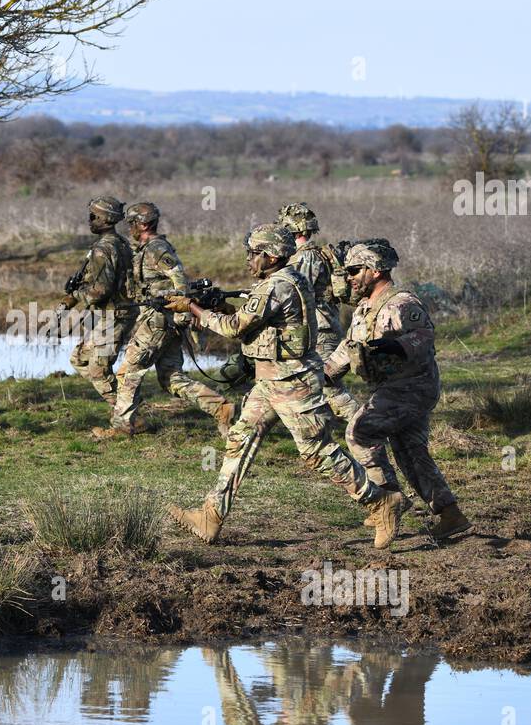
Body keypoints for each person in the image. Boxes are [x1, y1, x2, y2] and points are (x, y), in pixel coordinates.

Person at [161, 224, 402, 545]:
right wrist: (217, 306)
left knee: (315, 450)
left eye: (254, 253)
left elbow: (234, 328)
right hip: (270, 379)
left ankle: (381, 501)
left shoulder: (276, 286)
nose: (248, 259)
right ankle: (210, 515)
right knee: (240, 438)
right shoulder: (288, 280)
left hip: (291, 381)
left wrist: (194, 309)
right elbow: (256, 324)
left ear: (272, 256)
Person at [323, 240, 470, 548]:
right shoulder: (365, 308)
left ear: (375, 271)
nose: (348, 277)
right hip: (394, 389)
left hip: (411, 388)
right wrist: (320, 375)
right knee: (410, 453)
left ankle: (386, 500)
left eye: (353, 270)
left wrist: (397, 345)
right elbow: (346, 350)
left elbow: (424, 337)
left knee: (361, 432)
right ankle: (450, 513)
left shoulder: (401, 303)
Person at [93, 202, 235, 439]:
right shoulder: (147, 247)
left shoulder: (156, 248)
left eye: (132, 224)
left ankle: (124, 426)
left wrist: (182, 314)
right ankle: (221, 408)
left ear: (143, 224)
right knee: (171, 377)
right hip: (163, 320)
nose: (130, 229)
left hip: (159, 321)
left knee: (128, 372)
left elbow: (179, 277)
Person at [279, 202, 358, 422]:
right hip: (318, 328)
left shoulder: (306, 257)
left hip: (320, 330)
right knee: (307, 382)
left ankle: (365, 426)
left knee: (329, 385)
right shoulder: (312, 254)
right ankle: (316, 425)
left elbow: (297, 292)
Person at [58, 195, 133, 407]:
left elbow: (99, 292)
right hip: (114, 314)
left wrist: (78, 293)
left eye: (93, 216)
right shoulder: (120, 242)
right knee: (80, 359)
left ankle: (127, 415)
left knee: (98, 371)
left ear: (104, 219)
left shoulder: (103, 248)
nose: (89, 220)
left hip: (115, 315)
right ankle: (125, 406)